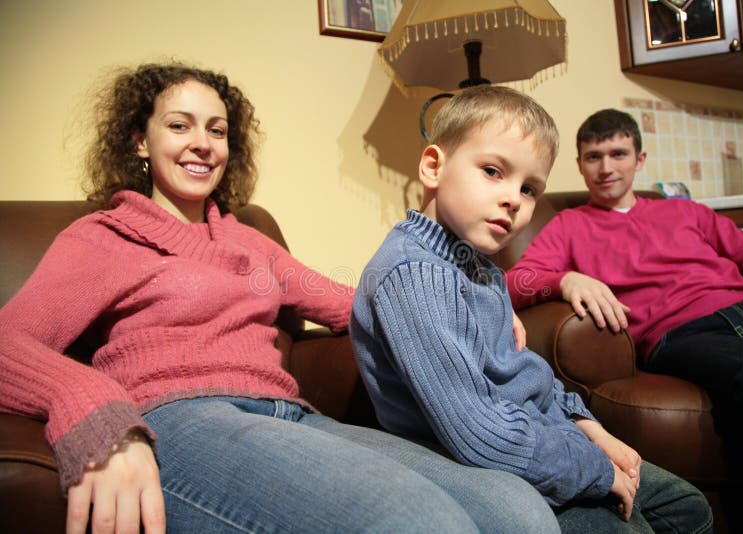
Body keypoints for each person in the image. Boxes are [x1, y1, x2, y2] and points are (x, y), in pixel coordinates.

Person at [0, 62, 562, 533]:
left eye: (218, 130)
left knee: (516, 510)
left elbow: (360, 301)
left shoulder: (250, 241)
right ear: (140, 140)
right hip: (182, 419)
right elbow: (8, 344)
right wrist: (94, 408)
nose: (203, 143)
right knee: (418, 521)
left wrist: (478, 301)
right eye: (180, 125)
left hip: (291, 417)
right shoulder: (104, 237)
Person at [350, 86, 712, 533]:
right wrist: (595, 468)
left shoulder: (481, 267)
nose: (513, 199)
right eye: (492, 171)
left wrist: (587, 427)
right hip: (492, 465)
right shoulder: (415, 274)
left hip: (548, 441)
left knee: (688, 508)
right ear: (433, 167)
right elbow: (478, 431)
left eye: (529, 188)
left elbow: (524, 376)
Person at [505, 108, 743, 532]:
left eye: (618, 153)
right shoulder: (570, 224)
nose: (606, 168)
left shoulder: (685, 212)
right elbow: (516, 279)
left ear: (639, 160)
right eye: (593, 157)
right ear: (580, 165)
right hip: (681, 334)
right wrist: (565, 279)